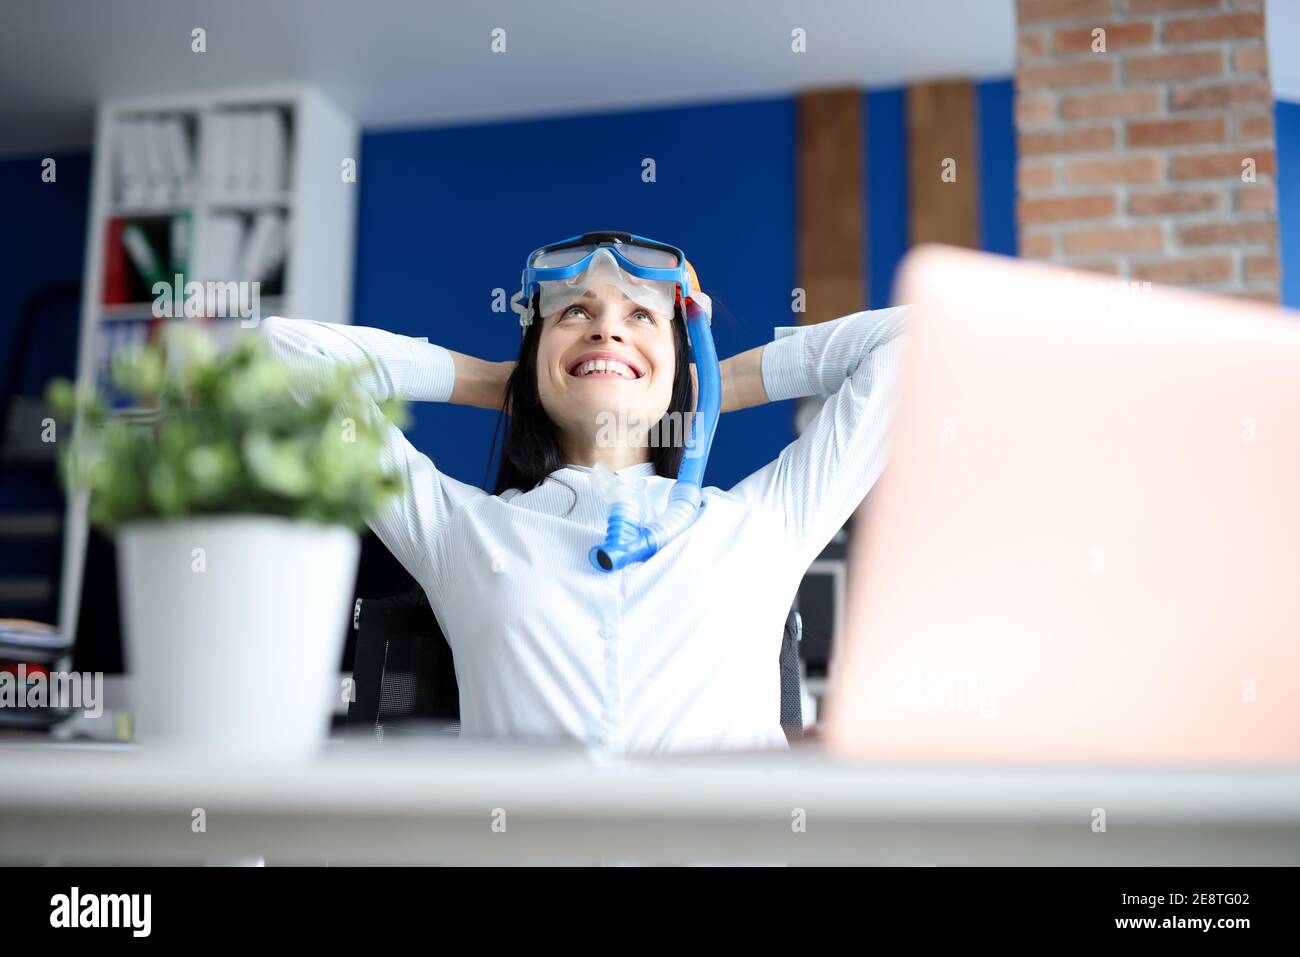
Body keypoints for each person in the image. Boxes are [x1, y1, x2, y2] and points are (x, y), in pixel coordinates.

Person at [261, 232, 908, 754]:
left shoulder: (765, 524)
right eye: (575, 312)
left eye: (639, 315)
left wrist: (710, 385)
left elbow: (915, 340)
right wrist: (505, 384)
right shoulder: (461, 531)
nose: (606, 329)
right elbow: (287, 356)